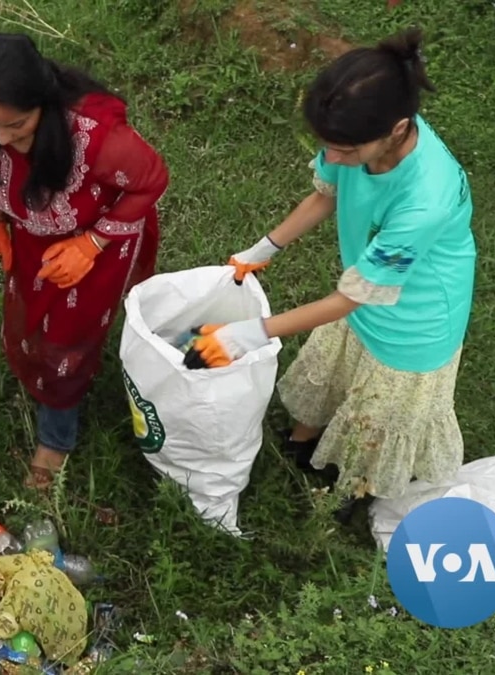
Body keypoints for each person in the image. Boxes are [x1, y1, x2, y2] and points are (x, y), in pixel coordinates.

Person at [184, 28, 475, 522]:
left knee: (378, 415)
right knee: (338, 367)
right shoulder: (356, 139)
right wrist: (265, 247)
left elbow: (350, 300)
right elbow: (327, 193)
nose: (334, 160)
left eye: (345, 151)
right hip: (366, 280)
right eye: (327, 146)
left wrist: (248, 335)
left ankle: (353, 489)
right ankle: (304, 444)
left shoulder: (425, 197)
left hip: (417, 318)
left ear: (399, 129)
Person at [0, 33, 170, 490]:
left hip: (97, 245)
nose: (2, 138)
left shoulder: (97, 137)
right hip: (36, 238)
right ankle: (39, 376)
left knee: (67, 340)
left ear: (45, 104)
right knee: (29, 311)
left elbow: (152, 180)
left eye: (17, 125)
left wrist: (90, 244)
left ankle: (56, 437)